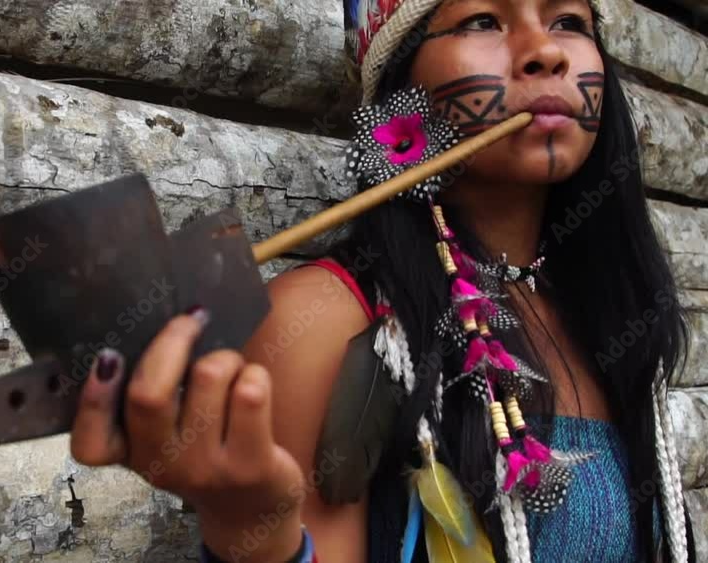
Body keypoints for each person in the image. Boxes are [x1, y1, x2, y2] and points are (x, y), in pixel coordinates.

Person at [68, 0, 695, 561]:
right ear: (401, 92)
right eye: (482, 19)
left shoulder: (603, 310)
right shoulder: (325, 321)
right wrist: (259, 537)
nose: (546, 52)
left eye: (569, 22)